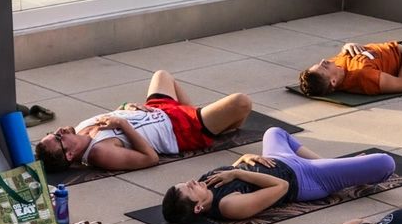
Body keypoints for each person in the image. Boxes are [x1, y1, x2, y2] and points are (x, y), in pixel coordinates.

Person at [158, 126, 398, 224]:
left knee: (274, 131)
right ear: (199, 207)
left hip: (279, 159)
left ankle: (335, 164)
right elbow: (280, 187)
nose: (191, 182)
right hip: (305, 179)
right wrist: (238, 172)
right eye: (189, 189)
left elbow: (240, 170)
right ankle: (335, 167)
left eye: (186, 183)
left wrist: (245, 159)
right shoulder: (229, 206)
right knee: (386, 163)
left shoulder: (207, 181)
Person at [33, 69, 253, 175]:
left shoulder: (81, 128)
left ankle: (204, 115)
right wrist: (122, 124)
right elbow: (150, 159)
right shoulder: (99, 153)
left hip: (158, 110)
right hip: (180, 130)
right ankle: (213, 124)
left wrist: (126, 107)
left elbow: (117, 113)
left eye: (55, 132)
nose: (61, 130)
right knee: (241, 102)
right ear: (69, 155)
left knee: (162, 75)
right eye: (59, 137)